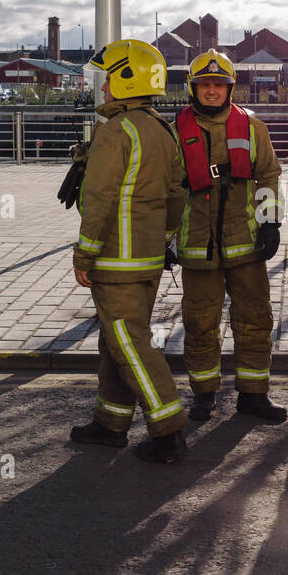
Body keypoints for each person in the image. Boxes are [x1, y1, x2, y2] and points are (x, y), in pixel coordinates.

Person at [69, 39, 189, 463]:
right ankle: (111, 423)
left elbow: (99, 199)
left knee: (129, 343)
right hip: (147, 258)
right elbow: (176, 196)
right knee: (115, 340)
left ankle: (169, 432)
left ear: (126, 79)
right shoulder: (162, 130)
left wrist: (84, 255)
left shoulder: (115, 131)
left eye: (107, 79)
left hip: (114, 260)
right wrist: (163, 238)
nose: (102, 88)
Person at [173, 48, 286, 423]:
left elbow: (268, 174)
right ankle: (204, 394)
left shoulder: (252, 127)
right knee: (199, 322)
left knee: (255, 320)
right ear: (193, 88)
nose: (212, 91)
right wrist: (165, 237)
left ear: (230, 88)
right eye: (205, 85)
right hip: (197, 245)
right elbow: (165, 189)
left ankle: (254, 396)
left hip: (246, 243)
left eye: (219, 85)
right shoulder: (175, 131)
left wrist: (270, 222)